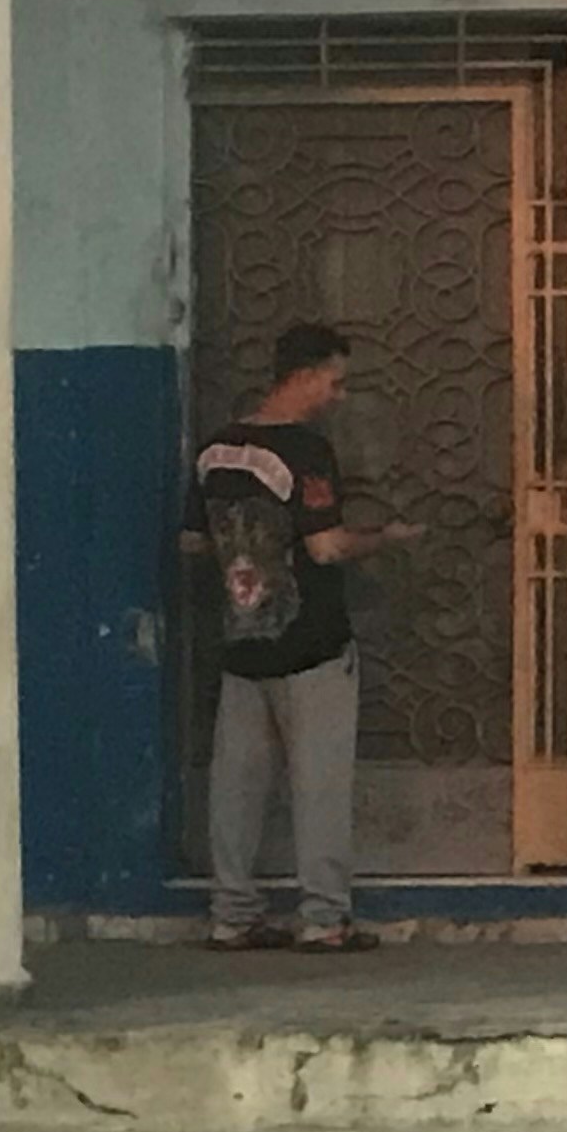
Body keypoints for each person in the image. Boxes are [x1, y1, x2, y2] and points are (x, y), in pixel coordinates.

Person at [182, 324, 418, 955]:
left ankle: (231, 915)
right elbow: (326, 545)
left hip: (241, 643)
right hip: (311, 643)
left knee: (234, 786)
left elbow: (193, 542)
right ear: (306, 375)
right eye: (335, 382)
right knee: (319, 785)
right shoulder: (305, 454)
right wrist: (386, 538)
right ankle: (324, 919)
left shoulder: (215, 452)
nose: (338, 397)